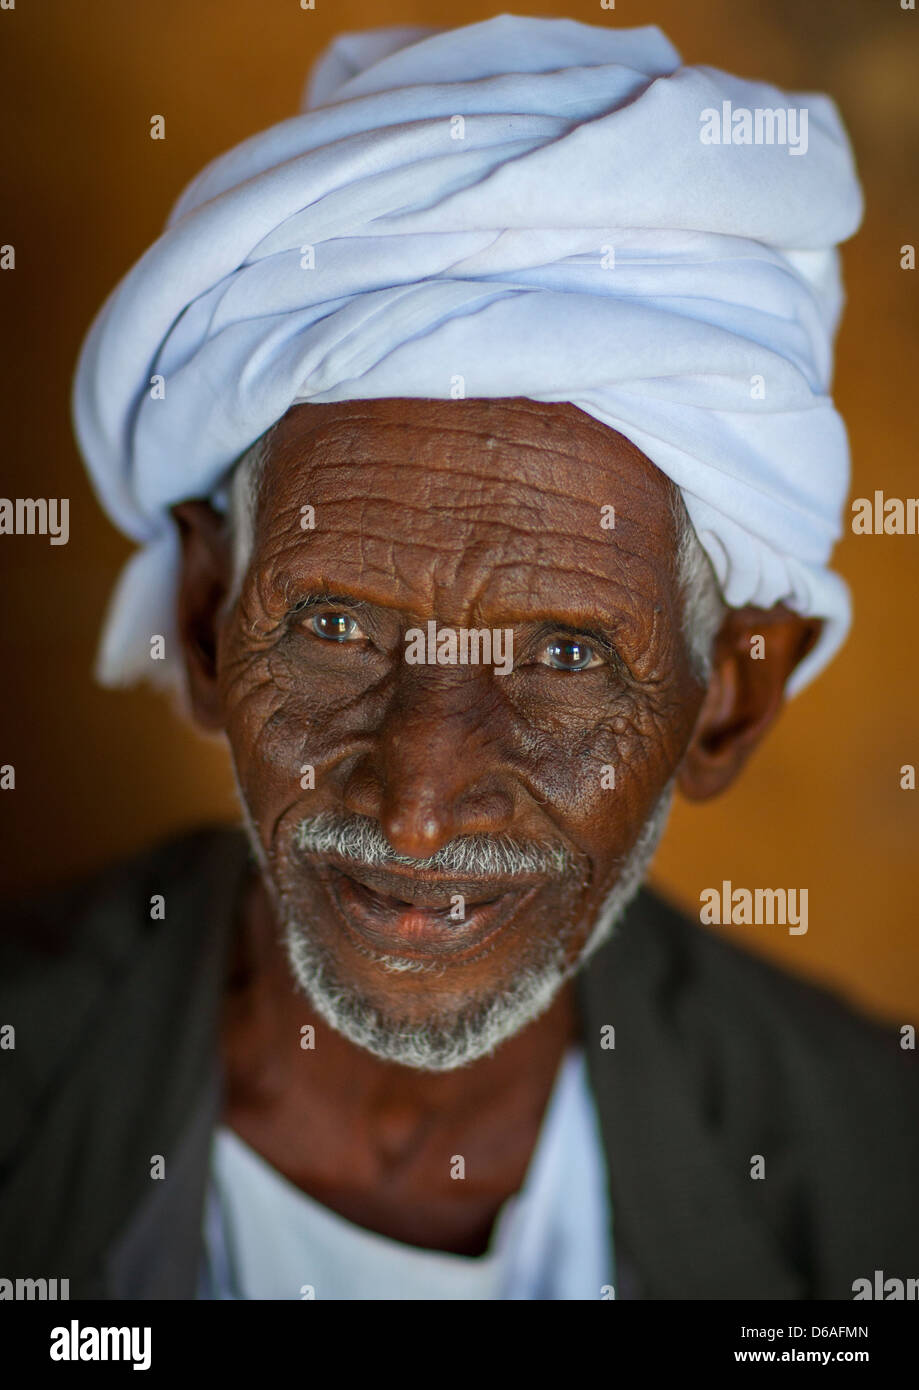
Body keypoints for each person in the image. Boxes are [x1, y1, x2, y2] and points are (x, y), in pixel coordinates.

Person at [2, 16, 916, 1301]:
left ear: (729, 697)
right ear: (208, 621)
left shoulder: (872, 1163)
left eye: (559, 654)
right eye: (334, 630)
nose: (418, 806)